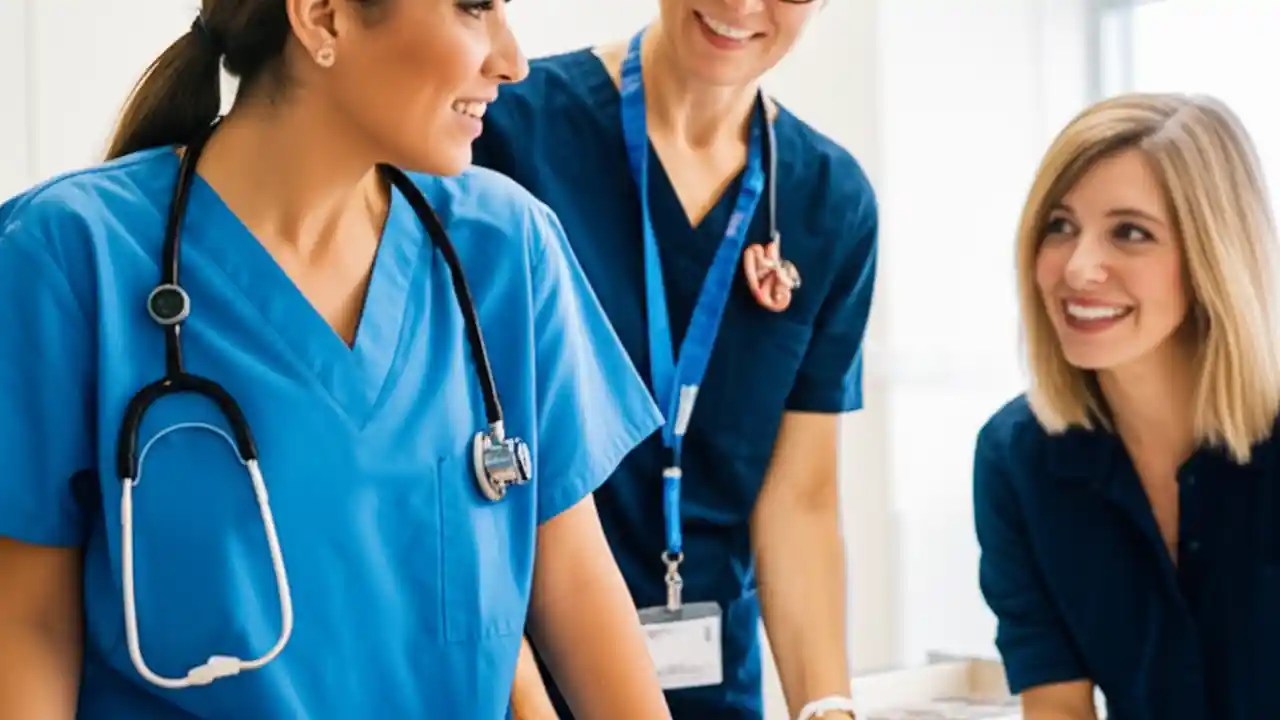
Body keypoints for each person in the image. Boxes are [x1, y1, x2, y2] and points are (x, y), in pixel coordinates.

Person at [0, 1, 675, 718]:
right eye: (474, 8)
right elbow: (27, 624)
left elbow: (571, 584)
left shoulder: (503, 246)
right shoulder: (68, 257)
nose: (512, 62)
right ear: (323, 18)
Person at [472, 2, 878, 719]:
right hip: (518, 676)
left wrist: (828, 707)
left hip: (712, 687)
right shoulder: (508, 130)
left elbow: (798, 501)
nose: (741, 6)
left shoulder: (829, 201)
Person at [974, 92, 1280, 720]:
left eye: (1131, 233)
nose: (1079, 267)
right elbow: (1057, 707)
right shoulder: (1017, 458)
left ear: (1213, 256)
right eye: (1060, 226)